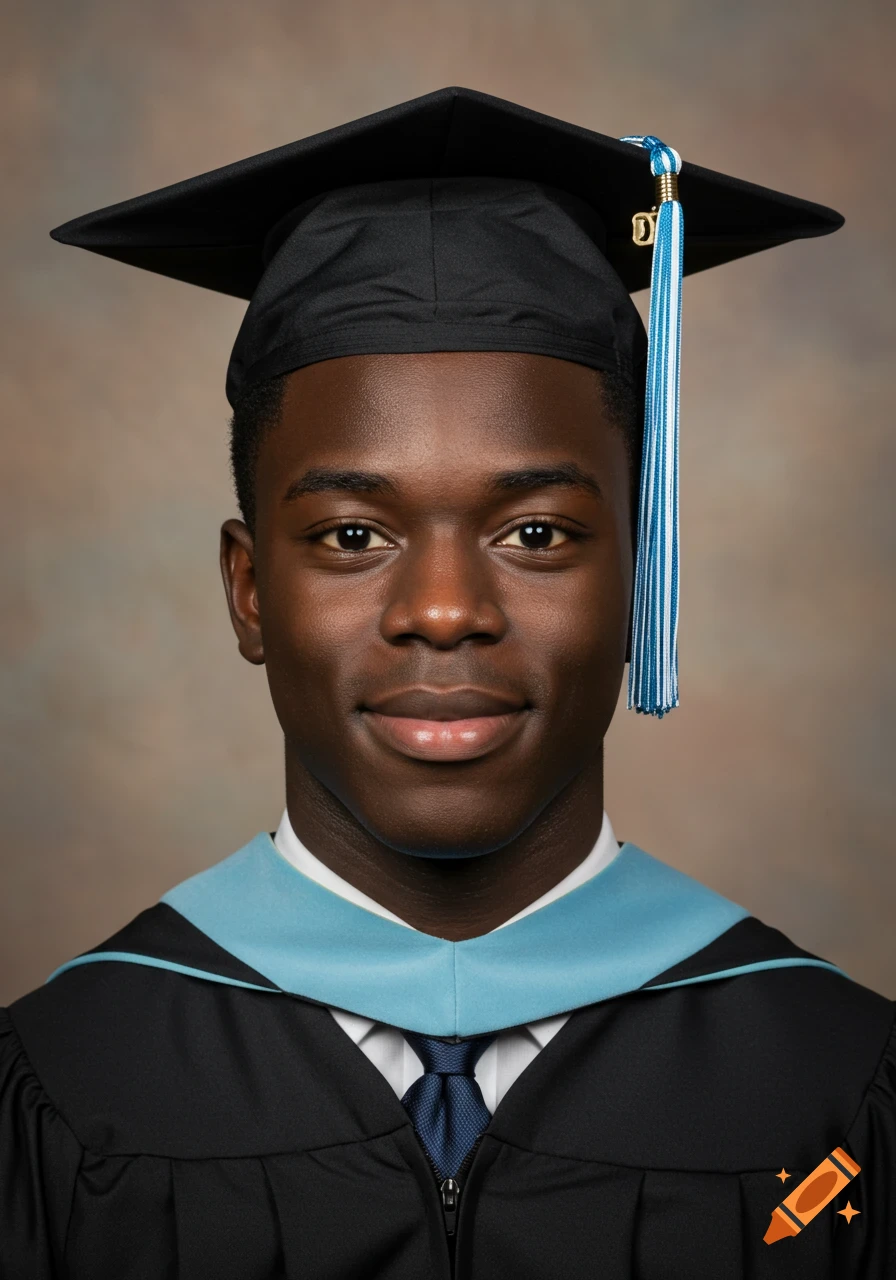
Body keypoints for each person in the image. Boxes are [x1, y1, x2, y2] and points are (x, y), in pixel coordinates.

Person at [1, 87, 892, 1280]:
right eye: (349, 536)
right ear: (247, 587)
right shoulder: (59, 1088)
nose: (441, 610)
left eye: (534, 534)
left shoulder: (838, 1084)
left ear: (644, 573)